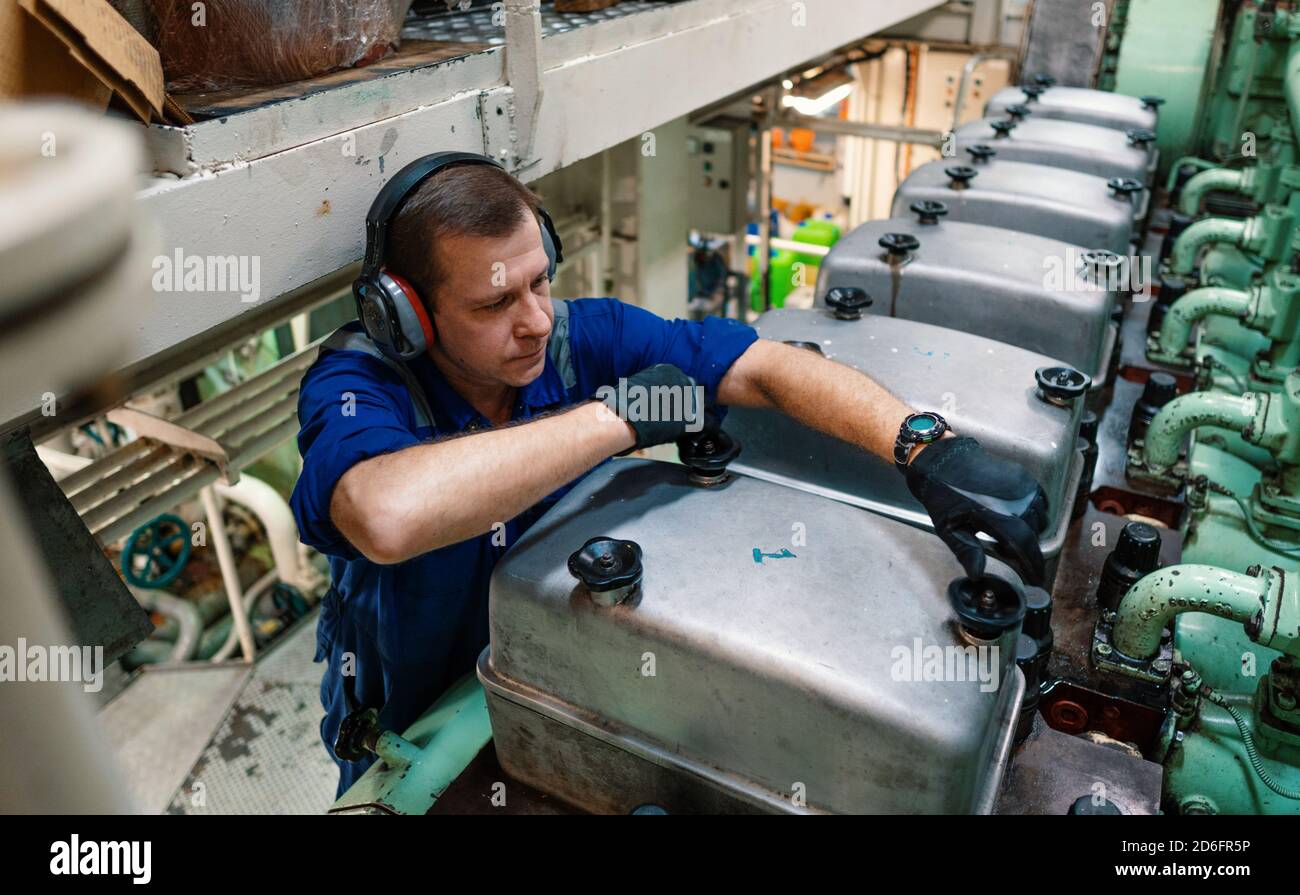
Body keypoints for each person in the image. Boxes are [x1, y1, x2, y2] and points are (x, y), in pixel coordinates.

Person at [290, 152, 1048, 796]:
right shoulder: (359, 387)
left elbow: (769, 368)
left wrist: (923, 445)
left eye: (540, 283)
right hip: (416, 718)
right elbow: (384, 514)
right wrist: (617, 417)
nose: (536, 321)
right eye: (495, 303)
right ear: (408, 316)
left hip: (562, 669)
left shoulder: (580, 337)